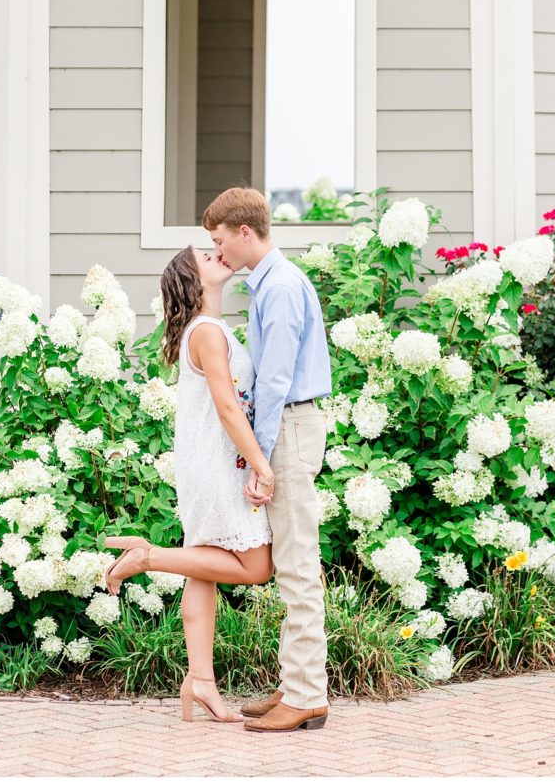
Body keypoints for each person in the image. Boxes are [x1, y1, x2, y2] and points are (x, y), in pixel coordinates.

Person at [103, 244, 275, 725]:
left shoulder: (207, 330)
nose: (217, 253)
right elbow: (227, 407)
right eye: (205, 254)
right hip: (220, 466)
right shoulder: (206, 332)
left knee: (205, 567)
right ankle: (148, 557)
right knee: (255, 566)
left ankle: (200, 680)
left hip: (208, 463)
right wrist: (261, 465)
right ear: (191, 277)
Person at [202, 186, 332, 733]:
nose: (218, 253)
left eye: (219, 240)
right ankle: (296, 684)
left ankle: (306, 695)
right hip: (291, 427)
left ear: (245, 233)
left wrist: (262, 458)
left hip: (290, 429)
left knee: (299, 566)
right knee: (292, 563)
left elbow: (276, 380)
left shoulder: (278, 288)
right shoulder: (274, 283)